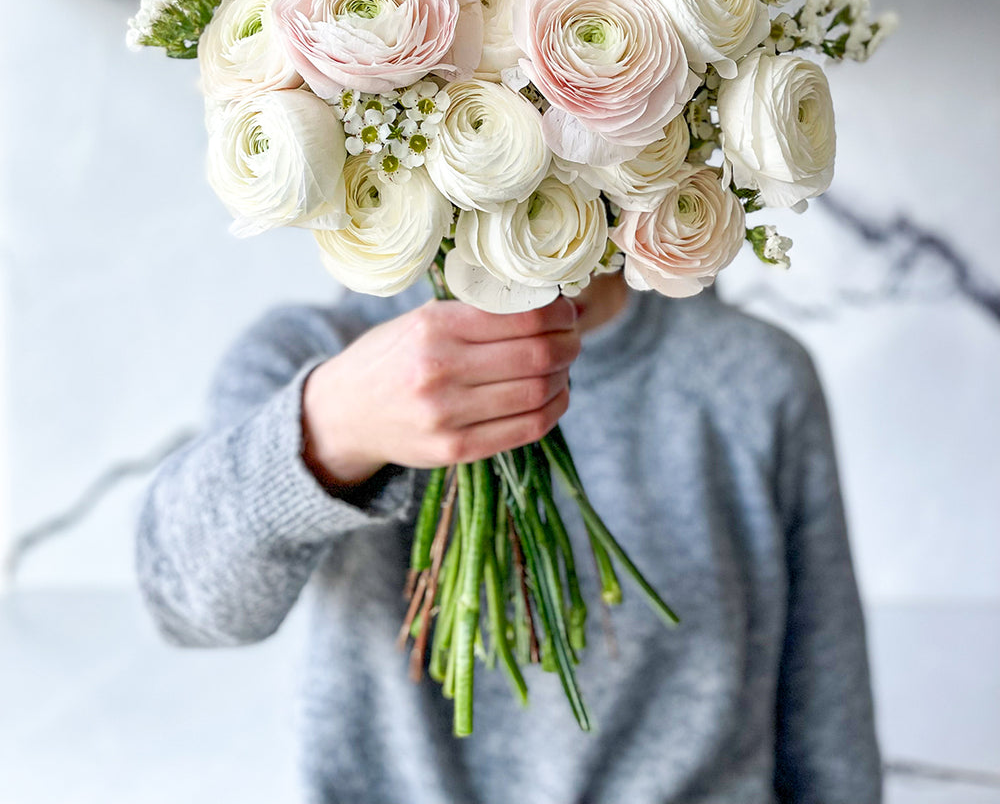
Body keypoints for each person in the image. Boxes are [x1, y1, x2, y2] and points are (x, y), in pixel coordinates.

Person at [136, 270, 882, 804]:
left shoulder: (752, 379)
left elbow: (827, 713)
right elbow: (184, 599)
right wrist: (334, 427)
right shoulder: (321, 351)